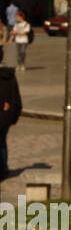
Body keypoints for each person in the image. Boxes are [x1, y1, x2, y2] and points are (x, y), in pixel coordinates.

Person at [0, 46, 21, 177]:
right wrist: (14, 116)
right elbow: (16, 98)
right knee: (2, 141)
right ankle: (3, 169)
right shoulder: (9, 74)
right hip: (5, 117)